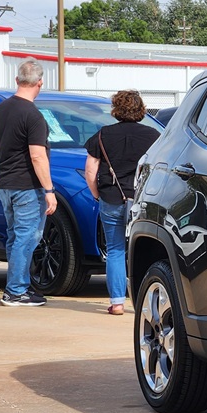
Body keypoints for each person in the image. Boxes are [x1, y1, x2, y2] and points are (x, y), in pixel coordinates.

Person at [84, 90, 160, 316]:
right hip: (142, 201)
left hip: (112, 198)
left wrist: (97, 195)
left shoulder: (102, 135)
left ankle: (117, 303)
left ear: (116, 109)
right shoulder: (154, 136)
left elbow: (90, 171)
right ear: (141, 109)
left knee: (115, 249)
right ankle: (147, 302)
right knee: (148, 249)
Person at [0, 59, 57, 307]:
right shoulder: (33, 115)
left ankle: (17, 286)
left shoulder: (0, 110)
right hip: (26, 185)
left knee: (14, 236)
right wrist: (49, 190)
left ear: (17, 80)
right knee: (27, 237)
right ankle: (16, 290)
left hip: (4, 182)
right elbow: (37, 155)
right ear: (40, 83)